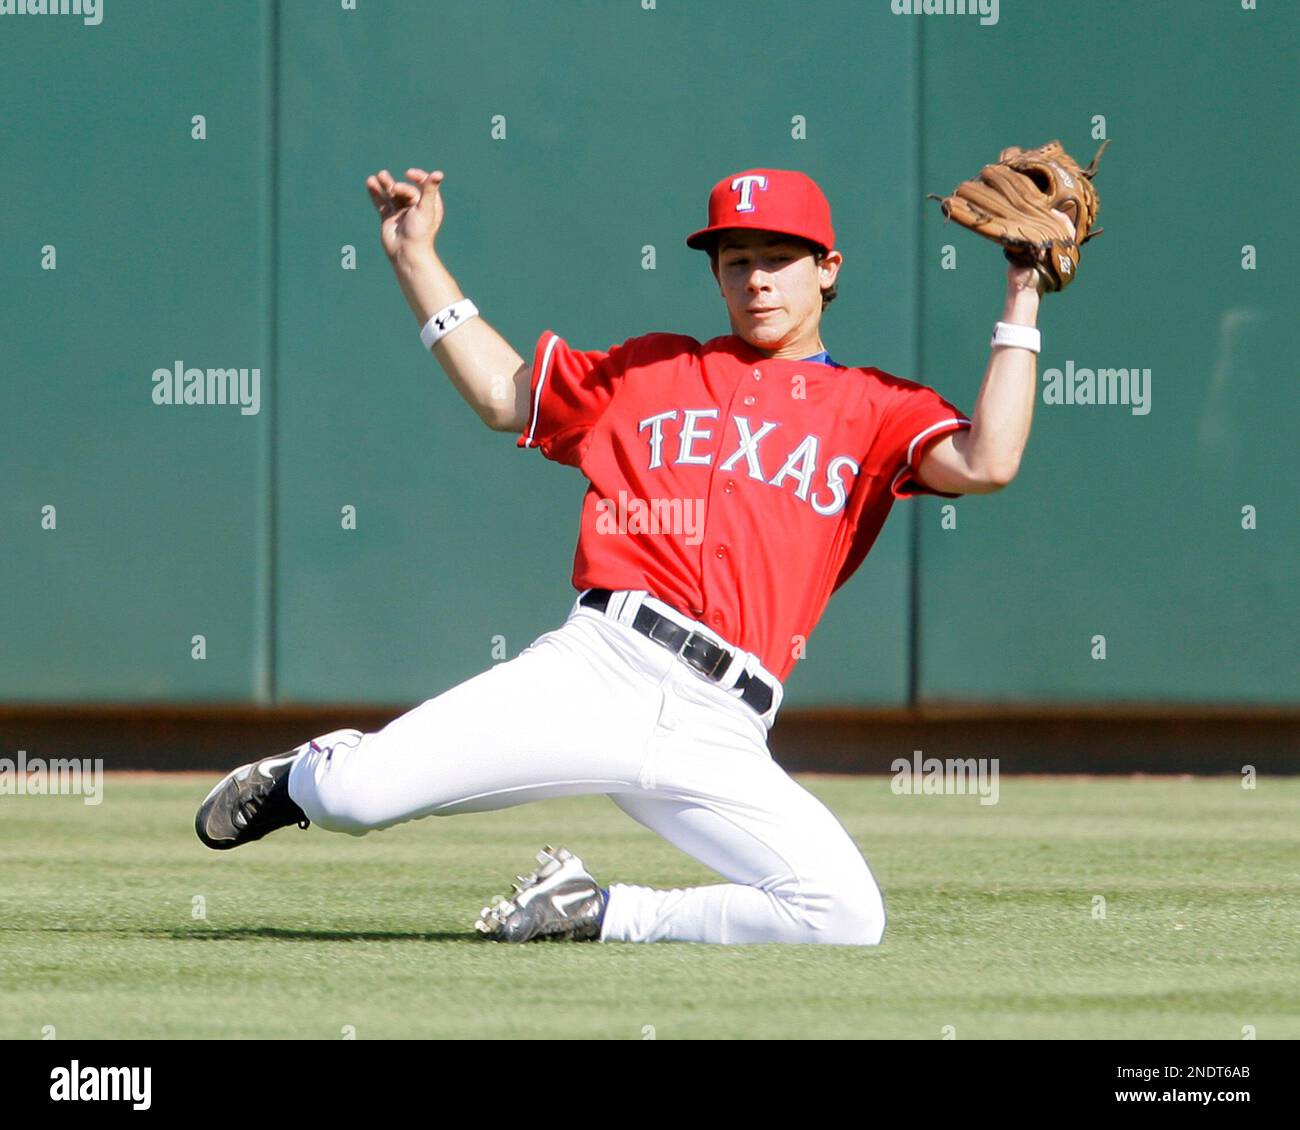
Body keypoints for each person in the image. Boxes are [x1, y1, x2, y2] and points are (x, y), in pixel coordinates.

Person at [196, 165, 1058, 946]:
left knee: (844, 914)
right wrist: (416, 258)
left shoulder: (875, 407)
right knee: (353, 800)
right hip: (603, 664)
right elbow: (505, 396)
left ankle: (595, 911)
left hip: (724, 725)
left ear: (827, 268)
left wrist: (1022, 293)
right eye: (735, 259)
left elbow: (991, 461)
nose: (757, 277)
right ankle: (304, 772)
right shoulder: (653, 371)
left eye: (780, 257)